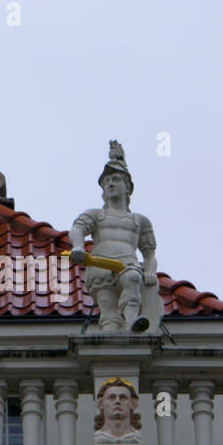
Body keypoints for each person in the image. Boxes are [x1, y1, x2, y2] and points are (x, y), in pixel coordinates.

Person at [70, 142, 160, 333]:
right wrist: (78, 246)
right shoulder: (96, 215)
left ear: (127, 187)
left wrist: (150, 271)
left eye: (116, 179)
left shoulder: (140, 221)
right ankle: (111, 340)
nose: (110, 183)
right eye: (107, 181)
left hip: (127, 262)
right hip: (100, 265)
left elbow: (149, 253)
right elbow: (77, 229)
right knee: (107, 309)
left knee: (133, 278)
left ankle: (132, 321)